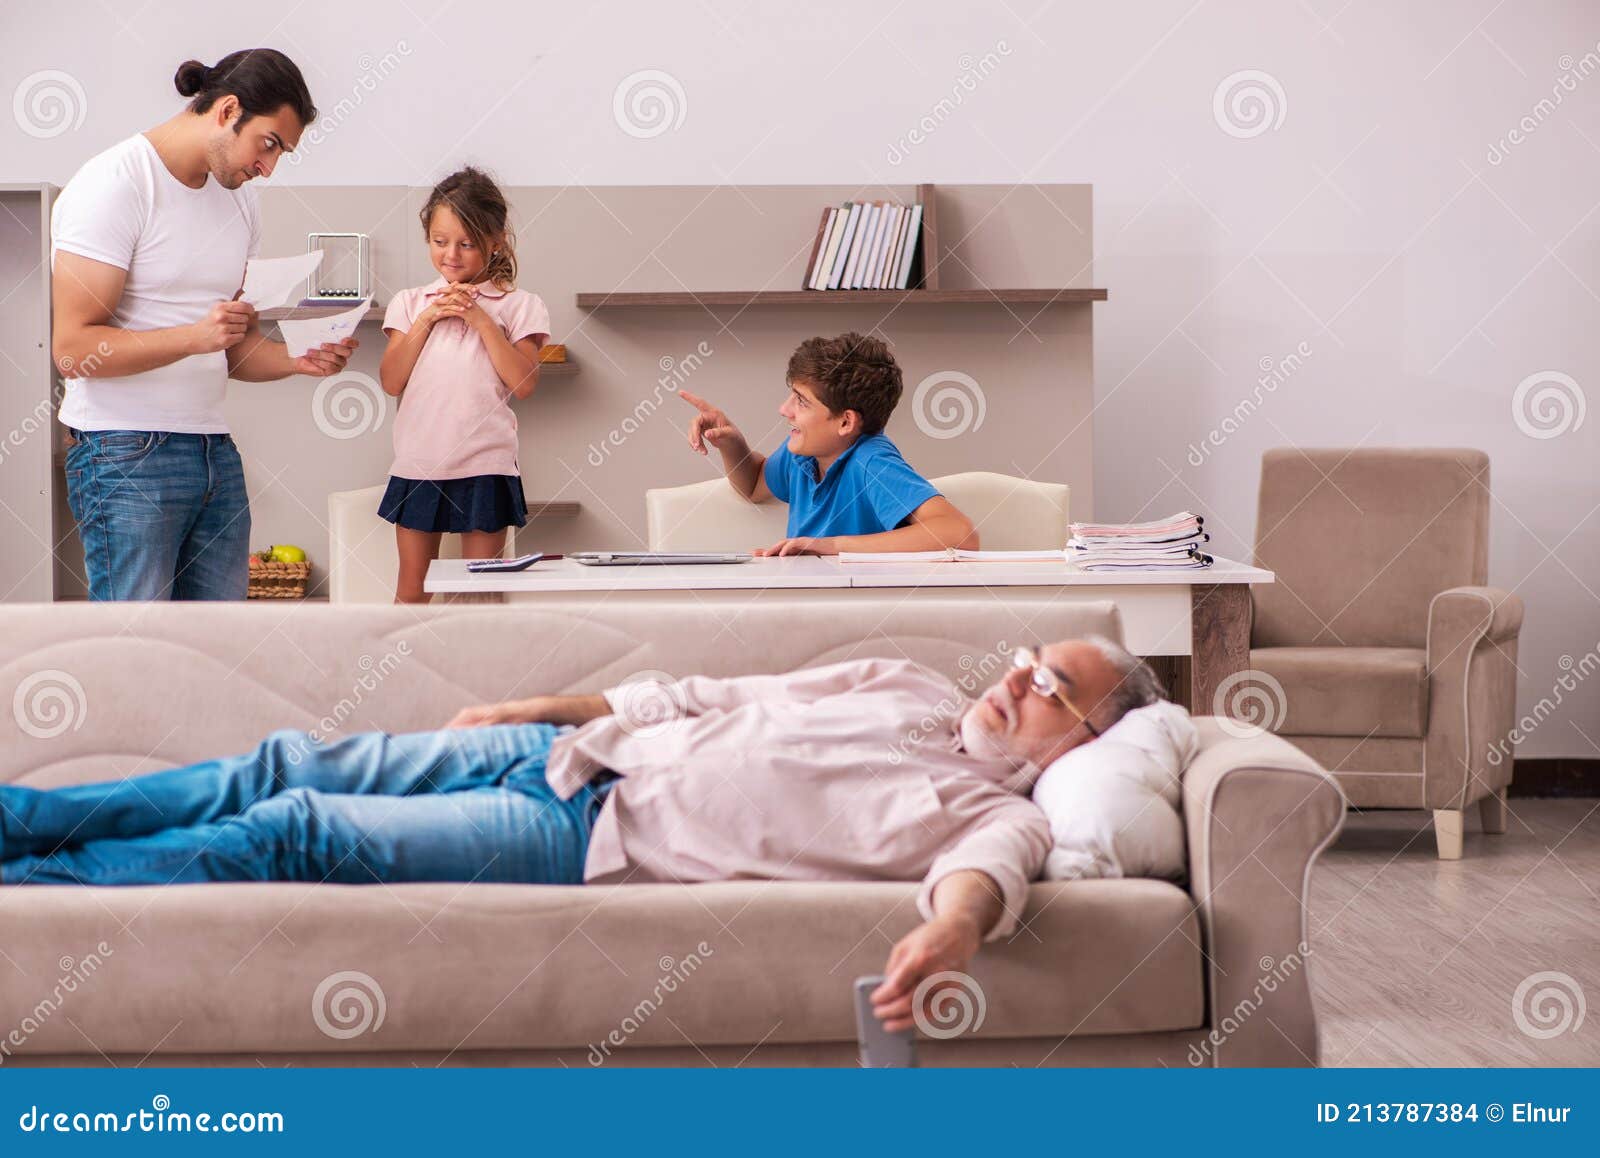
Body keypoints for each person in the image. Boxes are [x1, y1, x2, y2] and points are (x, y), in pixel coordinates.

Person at [0, 637, 1163, 1030]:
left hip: (583, 836)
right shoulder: (906, 681)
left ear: (1085, 738)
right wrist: (541, 706)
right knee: (282, 765)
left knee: (291, 830)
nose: (1016, 678)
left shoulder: (1000, 814)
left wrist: (950, 935)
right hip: (570, 753)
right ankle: (21, 822)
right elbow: (707, 693)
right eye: (1025, 658)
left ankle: (43, 886)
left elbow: (983, 879)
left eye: (1049, 684)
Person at [49, 49, 358, 600]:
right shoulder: (114, 184)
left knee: (219, 643)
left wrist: (296, 361)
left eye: (282, 153)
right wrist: (196, 337)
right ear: (228, 110)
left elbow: (231, 345)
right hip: (123, 452)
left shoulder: (240, 204)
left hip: (213, 450)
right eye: (268, 144)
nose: (268, 167)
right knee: (135, 642)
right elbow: (72, 349)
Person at [377, 167, 549, 603]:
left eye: (467, 244)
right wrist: (429, 318)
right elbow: (391, 380)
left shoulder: (520, 305)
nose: (451, 255)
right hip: (419, 465)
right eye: (440, 241)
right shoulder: (410, 303)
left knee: (481, 598)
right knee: (411, 593)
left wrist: (480, 320)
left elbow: (525, 383)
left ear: (495, 242)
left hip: (486, 466)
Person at [678, 332, 977, 556]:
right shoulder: (803, 454)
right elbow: (754, 485)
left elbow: (960, 534)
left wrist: (833, 546)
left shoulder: (871, 462)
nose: (784, 409)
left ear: (845, 422)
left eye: (802, 402)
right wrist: (731, 442)